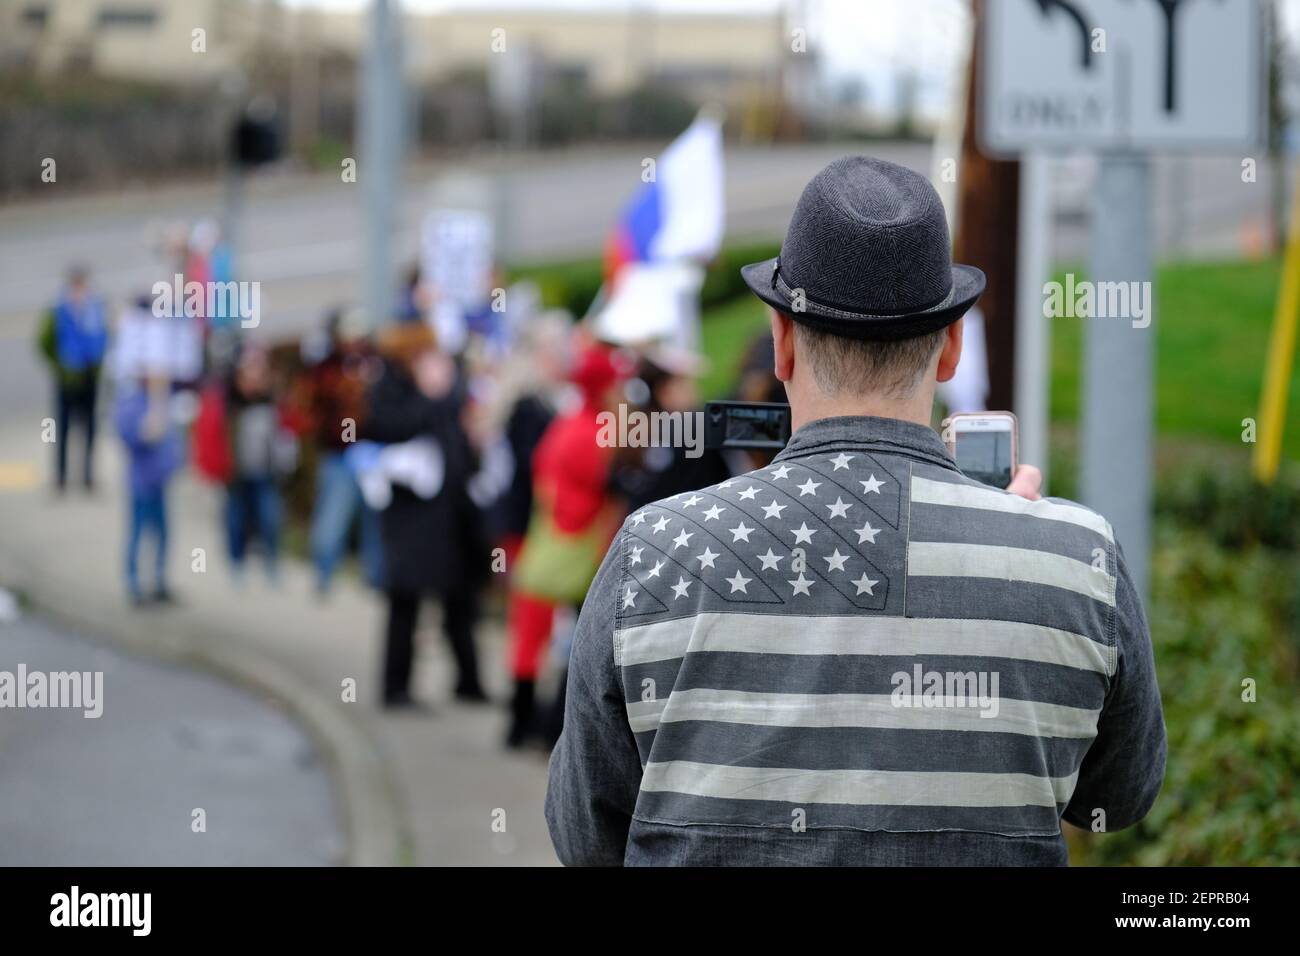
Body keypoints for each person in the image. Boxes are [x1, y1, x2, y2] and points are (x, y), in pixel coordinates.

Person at [545, 156, 1166, 866]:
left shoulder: (651, 553)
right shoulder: (1077, 560)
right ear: (952, 348)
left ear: (781, 343)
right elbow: (1118, 797)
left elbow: (583, 833)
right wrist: (1014, 558)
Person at [361, 324, 489, 709]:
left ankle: (469, 681)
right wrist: (432, 396)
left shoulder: (446, 389)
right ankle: (395, 687)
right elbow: (391, 427)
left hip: (452, 510)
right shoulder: (391, 389)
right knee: (406, 601)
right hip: (412, 516)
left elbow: (460, 441)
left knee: (459, 598)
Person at [305, 310, 384, 594]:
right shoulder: (326, 369)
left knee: (375, 519)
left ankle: (375, 576)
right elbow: (312, 408)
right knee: (333, 517)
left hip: (372, 453)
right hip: (339, 454)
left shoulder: (375, 365)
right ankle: (324, 573)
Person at [224, 346, 294, 585]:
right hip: (238, 473)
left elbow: (286, 434)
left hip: (266, 471)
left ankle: (271, 564)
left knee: (270, 518)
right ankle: (236, 564)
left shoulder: (274, 403)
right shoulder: (230, 404)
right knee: (236, 518)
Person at [38, 265, 108, 492]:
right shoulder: (58, 309)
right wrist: (58, 365)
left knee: (89, 428)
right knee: (60, 429)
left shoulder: (96, 309)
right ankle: (60, 477)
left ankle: (87, 476)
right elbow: (44, 342)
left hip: (89, 377)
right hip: (66, 379)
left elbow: (104, 338)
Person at [114, 373, 181, 606]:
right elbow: (127, 434)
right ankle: (134, 585)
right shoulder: (132, 402)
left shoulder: (164, 400)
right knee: (137, 534)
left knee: (163, 534)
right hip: (141, 483)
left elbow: (173, 440)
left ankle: (159, 582)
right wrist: (144, 432)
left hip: (160, 481)